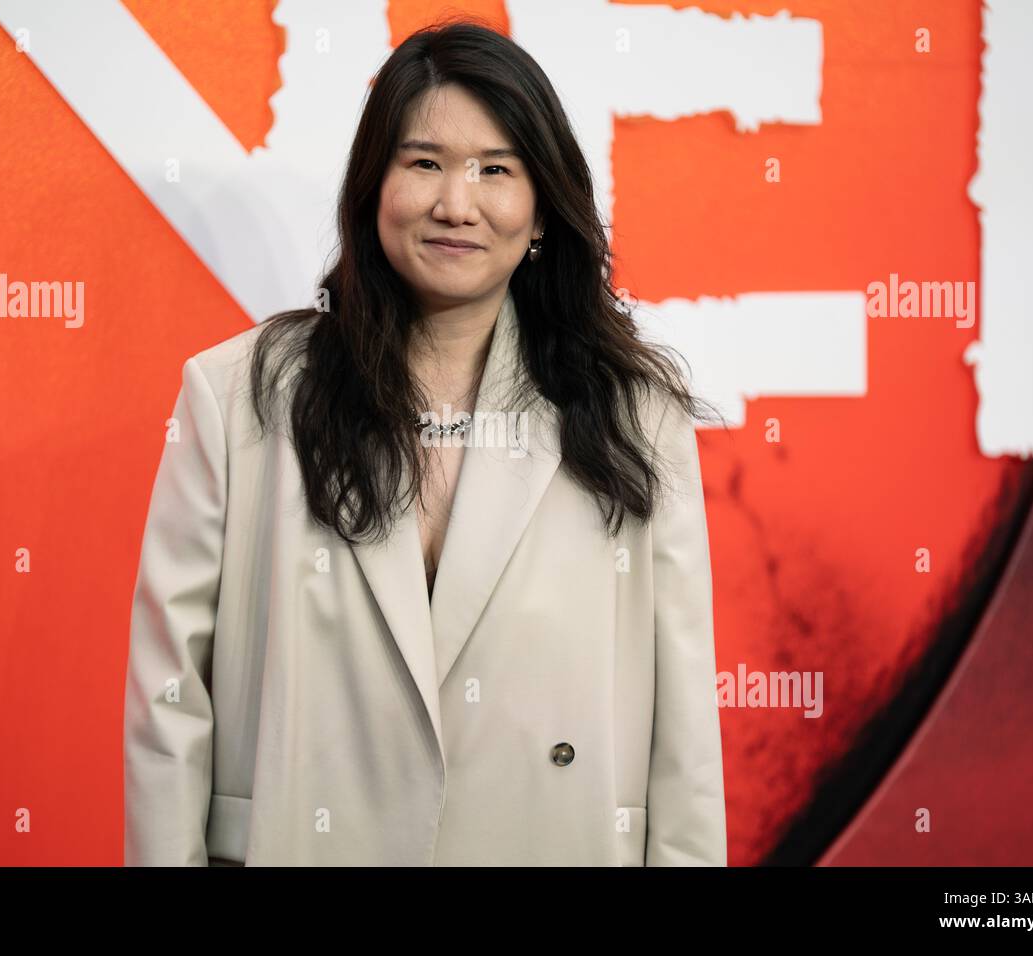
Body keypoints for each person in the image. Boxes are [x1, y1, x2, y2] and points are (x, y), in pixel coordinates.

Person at [124, 19, 727, 866]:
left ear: (542, 208)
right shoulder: (241, 395)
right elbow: (168, 693)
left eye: (495, 170)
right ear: (375, 188)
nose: (457, 203)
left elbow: (685, 723)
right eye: (425, 163)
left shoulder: (634, 416)